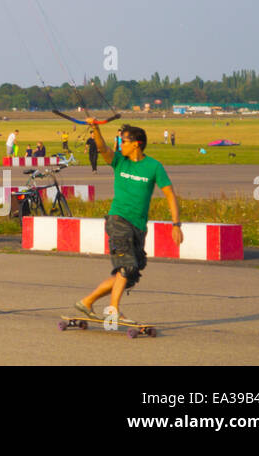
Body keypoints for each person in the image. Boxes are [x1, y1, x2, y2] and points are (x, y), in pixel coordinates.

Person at [72, 123, 181, 327]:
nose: (120, 144)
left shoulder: (154, 167)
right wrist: (95, 129)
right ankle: (113, 311)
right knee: (126, 266)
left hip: (139, 227)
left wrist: (176, 224)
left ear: (136, 144)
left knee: (131, 273)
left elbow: (170, 195)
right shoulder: (119, 161)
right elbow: (103, 147)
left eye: (124, 141)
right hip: (118, 220)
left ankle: (86, 302)